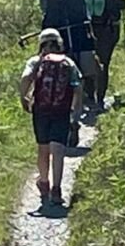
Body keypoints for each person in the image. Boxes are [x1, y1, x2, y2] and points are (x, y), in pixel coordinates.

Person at [19, 28, 83, 210]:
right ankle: (56, 189)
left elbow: (25, 79)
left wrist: (23, 97)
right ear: (59, 44)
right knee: (58, 150)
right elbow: (78, 88)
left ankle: (44, 183)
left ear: (41, 44)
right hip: (61, 111)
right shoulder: (68, 62)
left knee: (43, 148)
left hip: (41, 110)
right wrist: (75, 114)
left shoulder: (36, 61)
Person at [42, 0, 101, 109]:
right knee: (88, 69)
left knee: (65, 68)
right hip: (80, 34)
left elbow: (47, 19)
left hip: (61, 36)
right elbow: (86, 13)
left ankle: (66, 98)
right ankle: (90, 96)